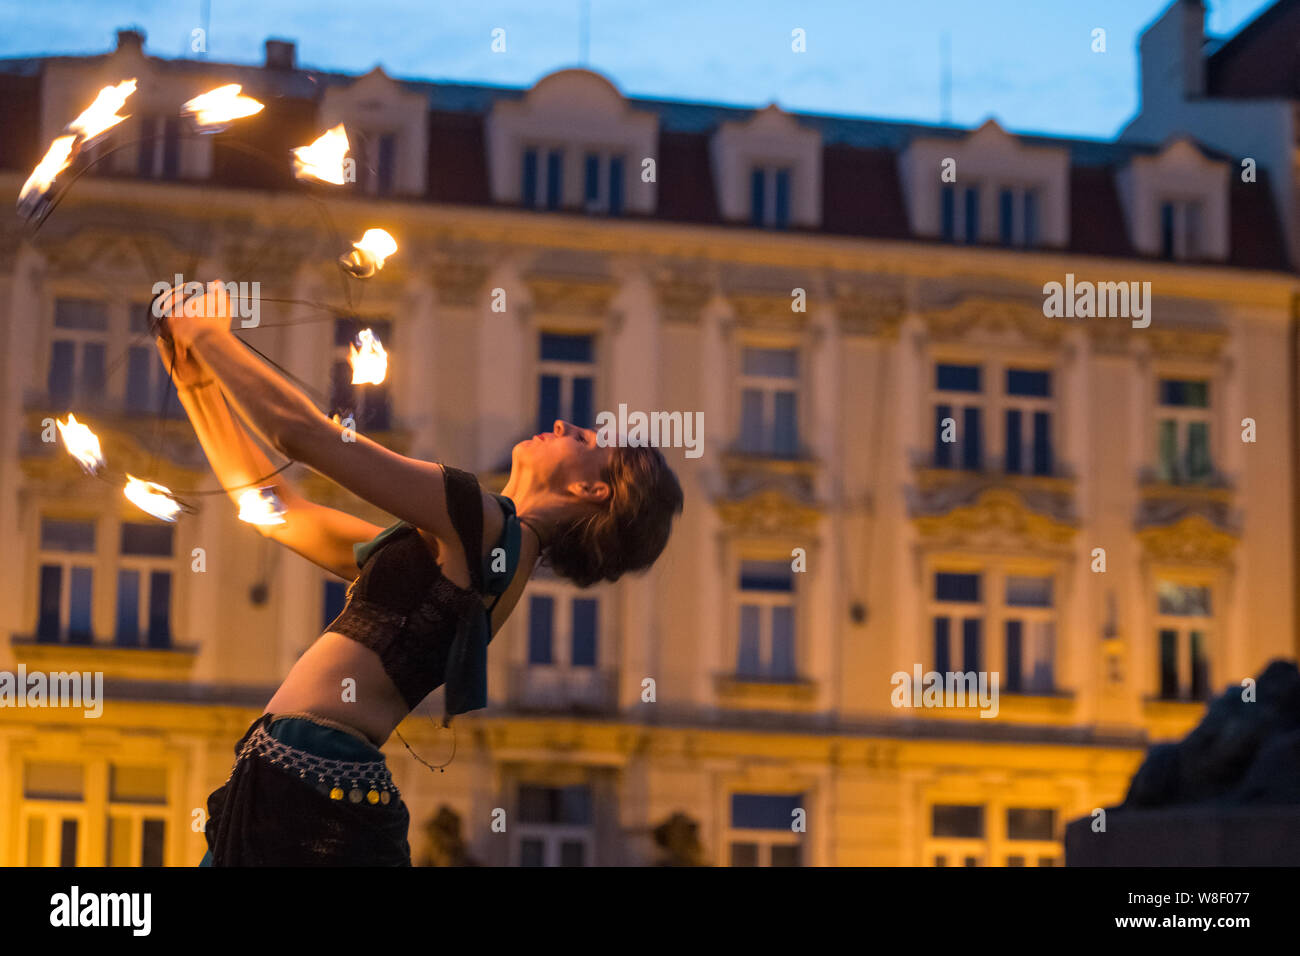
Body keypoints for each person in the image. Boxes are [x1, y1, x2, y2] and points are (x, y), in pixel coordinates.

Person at [157, 283, 683, 866]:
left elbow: (301, 435)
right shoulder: (480, 549)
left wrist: (207, 333)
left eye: (584, 439)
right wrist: (198, 384)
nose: (562, 423)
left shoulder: (480, 523)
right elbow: (278, 513)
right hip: (300, 777)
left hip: (309, 788)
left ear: (591, 489)